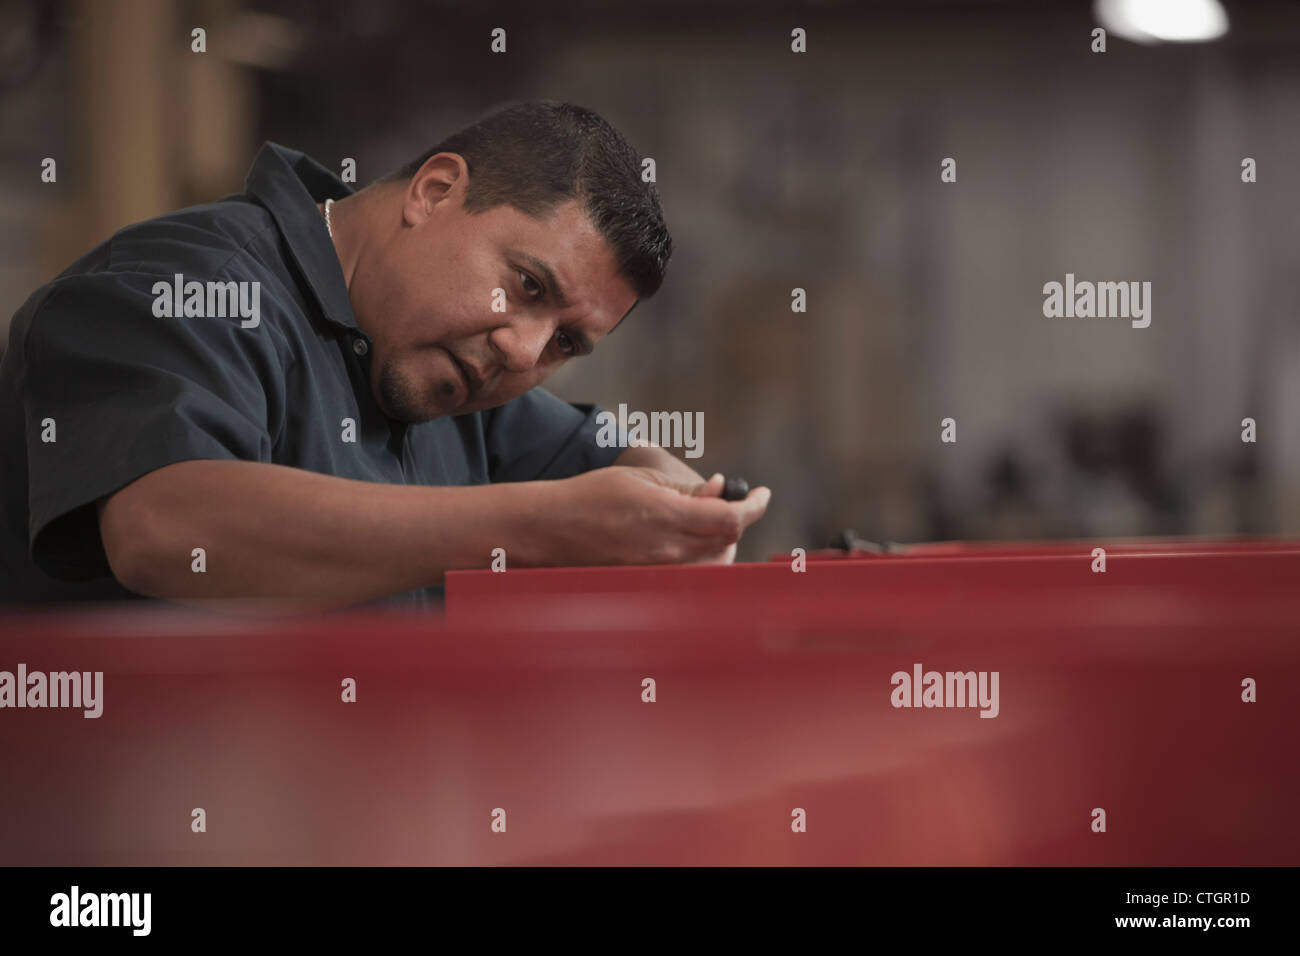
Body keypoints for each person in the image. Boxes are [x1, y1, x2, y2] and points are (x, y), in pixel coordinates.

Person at [0, 100, 769, 609]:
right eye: (527, 285)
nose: (523, 350)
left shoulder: (457, 378)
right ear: (434, 192)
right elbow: (164, 526)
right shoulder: (178, 288)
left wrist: (683, 505)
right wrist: (541, 526)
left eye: (567, 342)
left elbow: (613, 461)